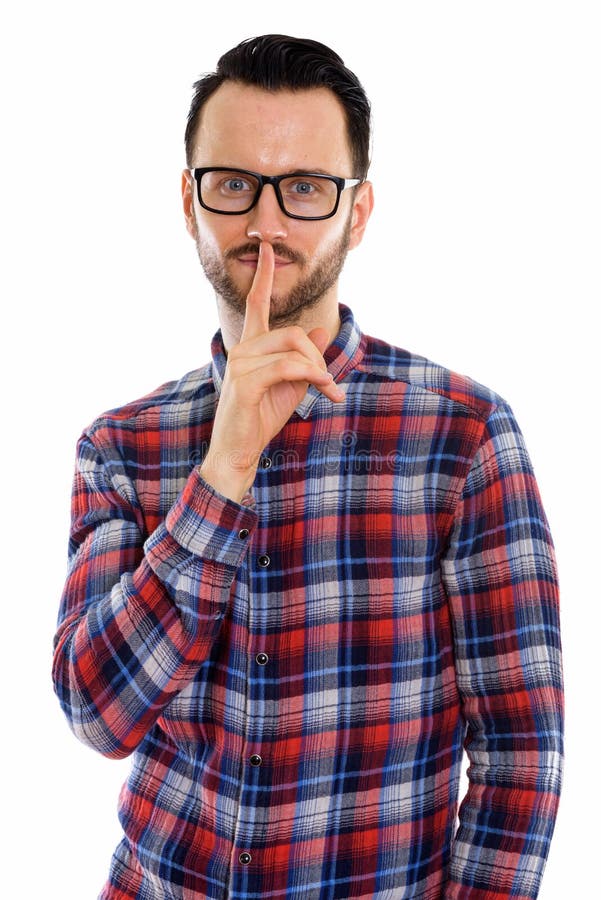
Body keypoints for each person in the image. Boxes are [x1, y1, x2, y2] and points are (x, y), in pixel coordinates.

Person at [52, 34, 564, 900]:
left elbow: (520, 759)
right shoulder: (121, 446)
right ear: (189, 199)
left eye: (304, 189)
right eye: (232, 185)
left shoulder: (463, 437)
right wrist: (222, 470)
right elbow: (98, 716)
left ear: (356, 211)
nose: (264, 223)